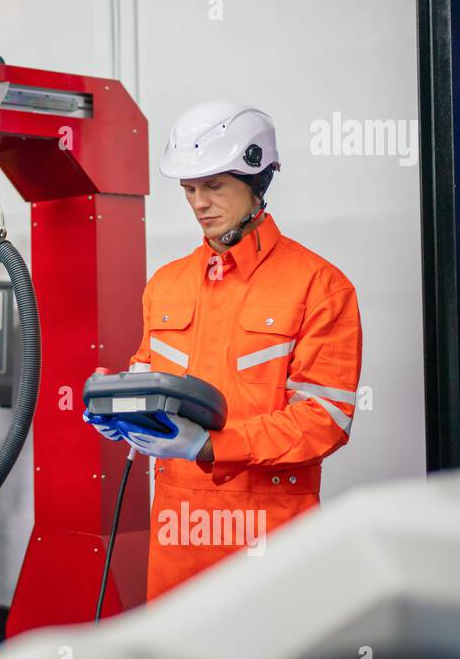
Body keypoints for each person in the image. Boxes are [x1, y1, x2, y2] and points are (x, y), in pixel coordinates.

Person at [85, 101, 363, 601]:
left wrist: (211, 447)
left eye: (214, 186)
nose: (199, 203)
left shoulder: (319, 285)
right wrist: (120, 410)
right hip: (177, 533)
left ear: (257, 183)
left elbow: (325, 418)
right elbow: (149, 371)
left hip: (272, 535)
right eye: (189, 190)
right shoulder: (167, 284)